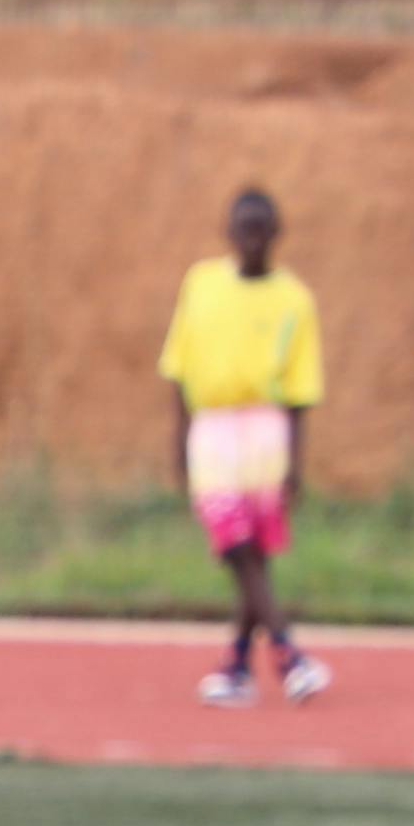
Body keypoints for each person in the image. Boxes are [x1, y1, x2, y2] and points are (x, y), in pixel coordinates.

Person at [160, 184, 333, 702]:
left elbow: (302, 392)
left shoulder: (295, 299)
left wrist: (295, 463)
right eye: (244, 228)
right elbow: (177, 367)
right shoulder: (202, 284)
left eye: (262, 229)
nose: (252, 239)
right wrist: (179, 437)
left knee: (254, 553)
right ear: (228, 232)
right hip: (213, 428)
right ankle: (286, 652)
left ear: (276, 234)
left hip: (265, 430)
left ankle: (236, 665)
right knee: (233, 544)